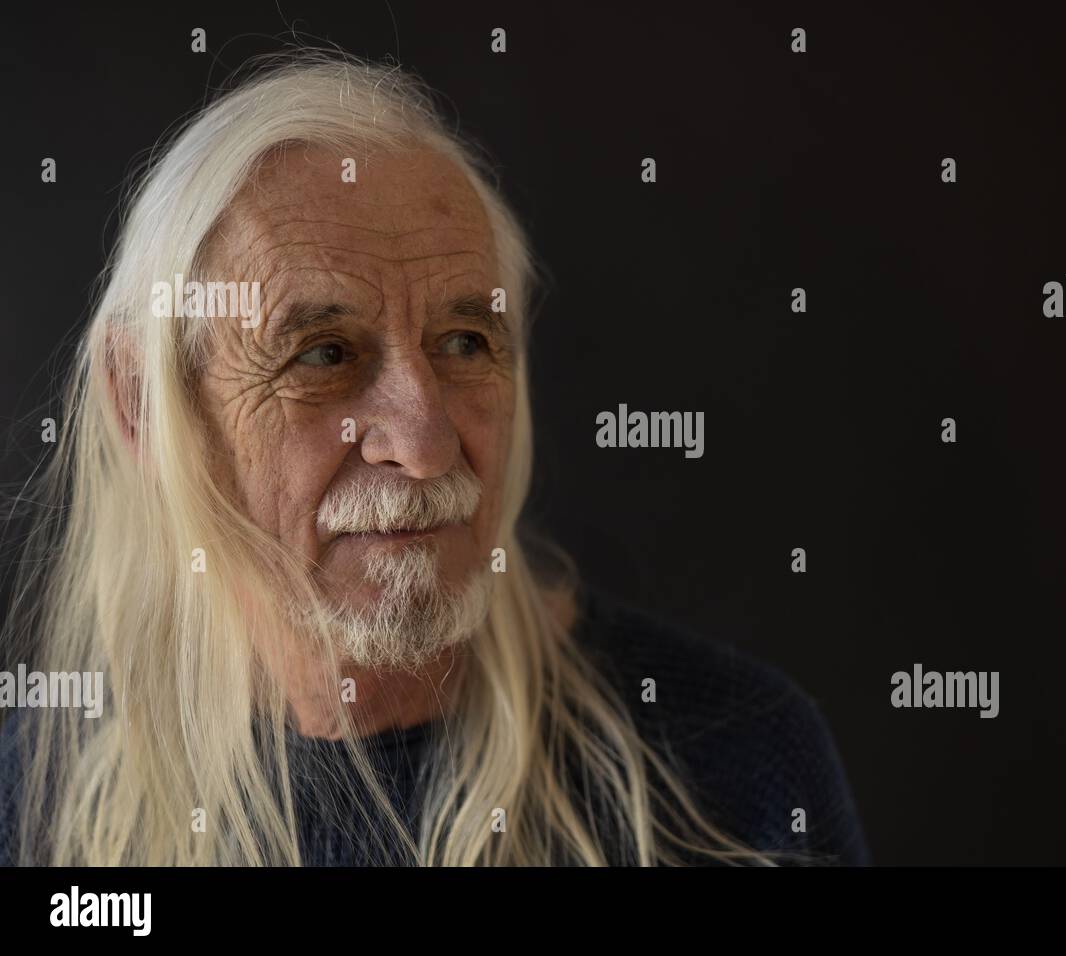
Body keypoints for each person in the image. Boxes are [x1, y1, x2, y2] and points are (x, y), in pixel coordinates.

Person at [0, 50, 868, 867]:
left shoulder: (733, 762)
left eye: (463, 341)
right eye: (323, 355)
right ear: (141, 406)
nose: (424, 444)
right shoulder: (36, 794)